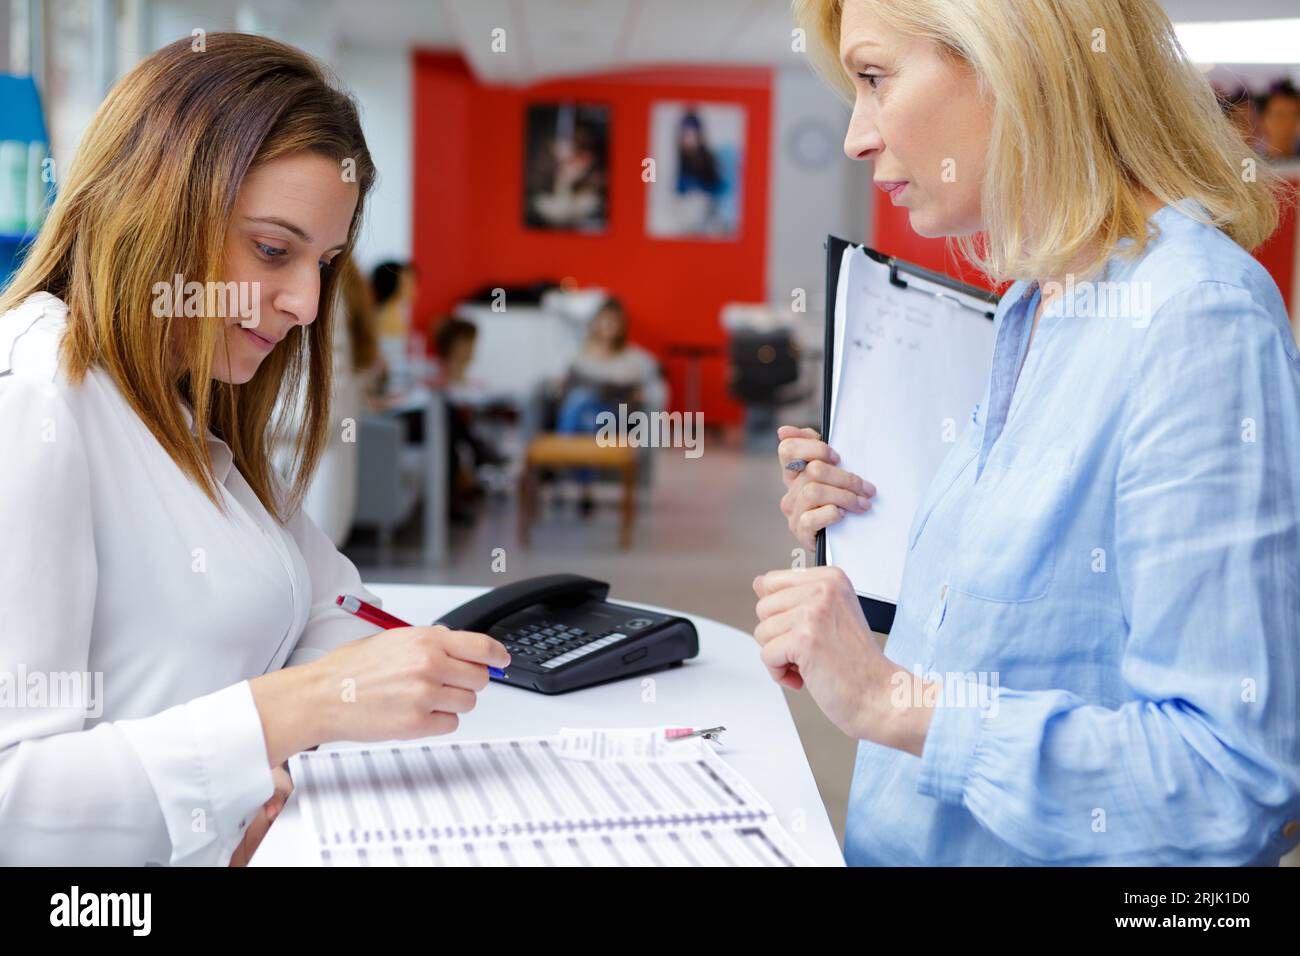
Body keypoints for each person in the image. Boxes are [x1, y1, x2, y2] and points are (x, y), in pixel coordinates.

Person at [759, 0, 1300, 865]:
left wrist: (889, 700)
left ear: (1010, 58)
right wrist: (874, 524)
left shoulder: (1198, 318)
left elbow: (1225, 782)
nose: (858, 136)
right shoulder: (1030, 306)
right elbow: (1044, 619)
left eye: (873, 77)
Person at [0, 33, 508, 867]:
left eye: (326, 262)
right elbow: (14, 800)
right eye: (273, 250)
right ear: (150, 204)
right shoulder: (33, 403)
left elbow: (331, 609)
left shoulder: (186, 403)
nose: (307, 304)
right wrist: (287, 713)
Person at [553, 298, 662, 515]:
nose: (608, 327)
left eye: (613, 322)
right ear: (595, 323)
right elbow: (566, 387)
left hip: (613, 414)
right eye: (604, 321)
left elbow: (632, 394)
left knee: (585, 403)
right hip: (586, 416)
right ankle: (587, 491)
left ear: (622, 326)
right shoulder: (580, 355)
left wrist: (604, 388)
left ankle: (561, 454)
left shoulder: (631, 358)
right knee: (586, 416)